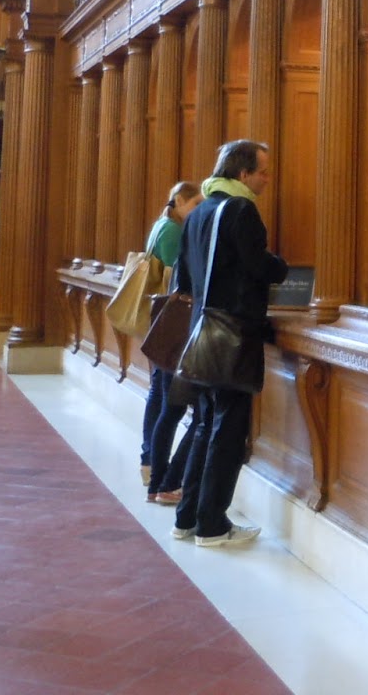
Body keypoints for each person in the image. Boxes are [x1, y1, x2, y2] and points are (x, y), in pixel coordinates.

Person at [170, 139, 287, 547]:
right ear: (243, 174)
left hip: (201, 334)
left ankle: (187, 518)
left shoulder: (200, 210)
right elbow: (258, 266)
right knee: (228, 431)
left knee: (204, 424)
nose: (267, 179)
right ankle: (213, 524)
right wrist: (282, 266)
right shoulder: (241, 210)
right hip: (233, 337)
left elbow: (183, 276)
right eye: (263, 171)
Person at [139, 180, 203, 505]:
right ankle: (164, 480)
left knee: (166, 404)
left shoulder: (165, 226)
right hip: (181, 330)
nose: (198, 212)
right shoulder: (179, 234)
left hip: (167, 326)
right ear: (179, 201)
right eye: (194, 205)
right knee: (180, 408)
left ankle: (154, 474)